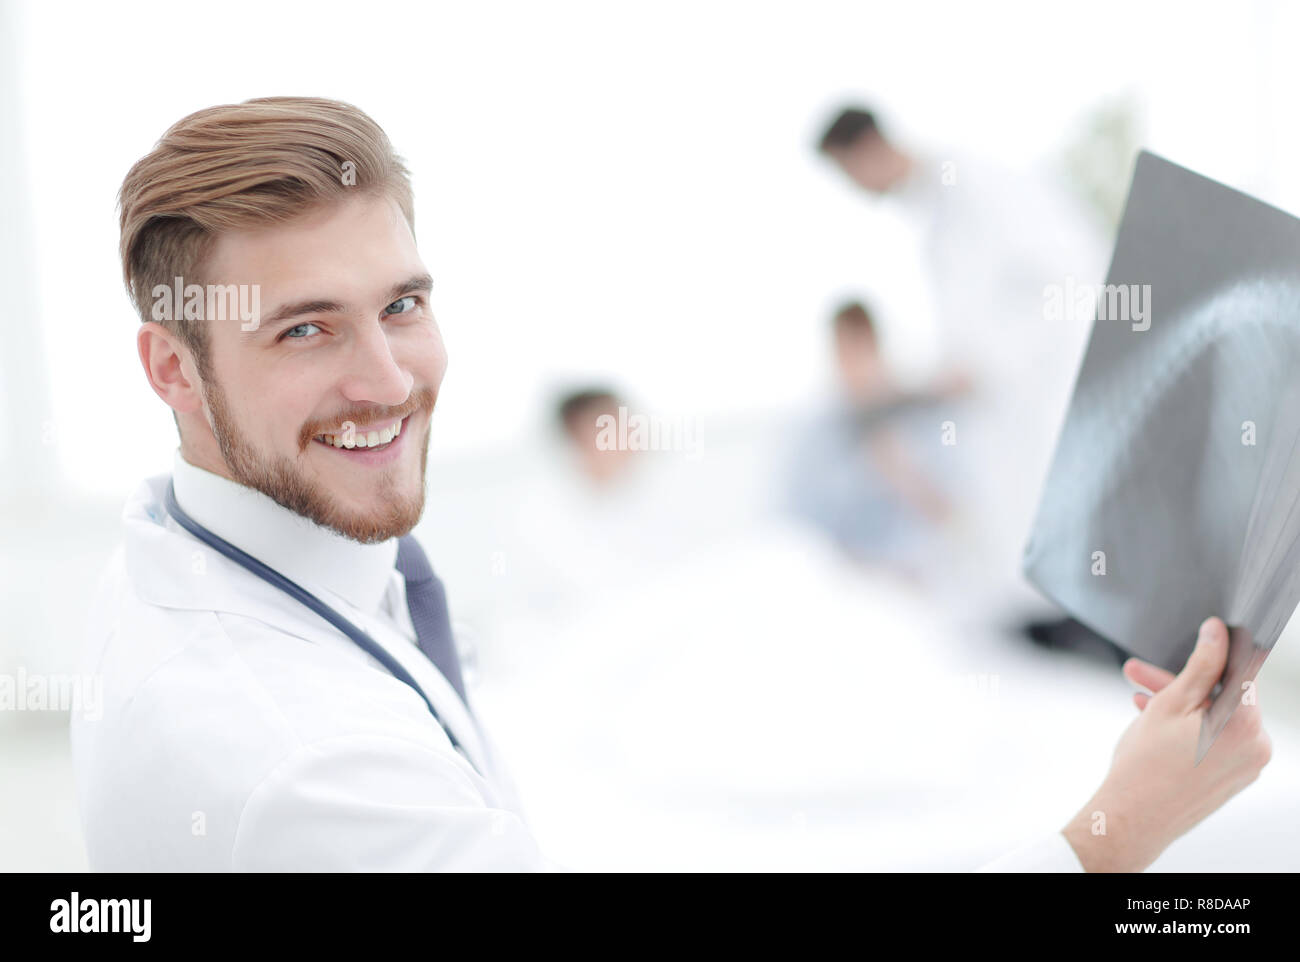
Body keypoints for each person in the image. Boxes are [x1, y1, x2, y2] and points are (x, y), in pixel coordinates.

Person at [69, 97, 1270, 872]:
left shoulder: (196, 546)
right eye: (303, 332)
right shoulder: (305, 765)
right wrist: (1112, 834)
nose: (386, 379)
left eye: (402, 305)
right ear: (171, 367)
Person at [816, 106, 1106, 625]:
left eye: (847, 173)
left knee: (1068, 570)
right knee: (1022, 580)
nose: (856, 189)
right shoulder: (934, 217)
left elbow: (1072, 276)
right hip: (1002, 425)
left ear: (868, 149)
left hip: (1048, 403)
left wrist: (986, 366)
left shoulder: (985, 187)